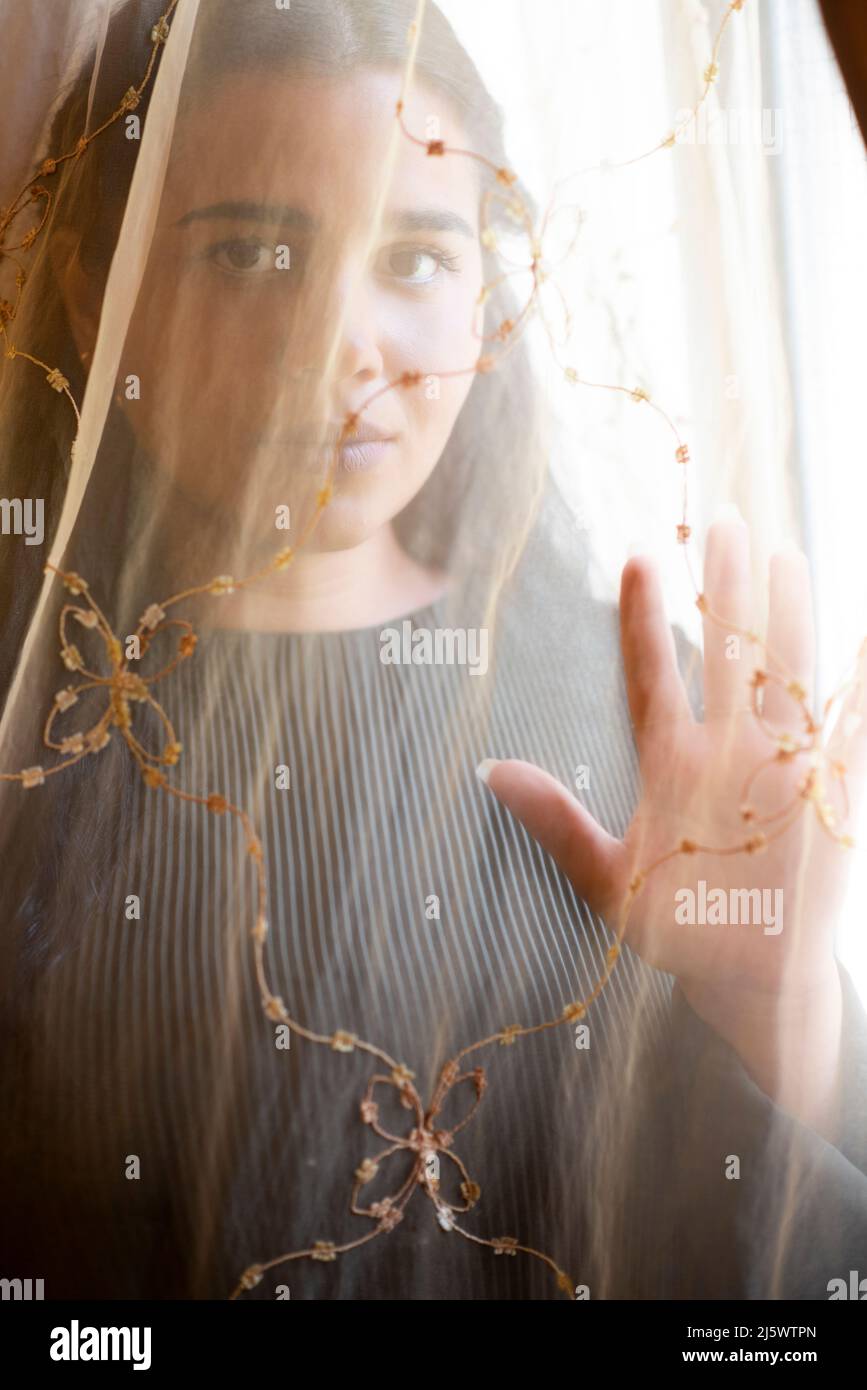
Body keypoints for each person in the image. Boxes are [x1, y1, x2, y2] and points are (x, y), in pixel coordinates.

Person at [1, 0, 866, 1301]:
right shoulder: (29, 726)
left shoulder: (655, 706)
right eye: (250, 253)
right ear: (91, 287)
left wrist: (786, 1012)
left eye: (413, 260)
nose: (344, 353)